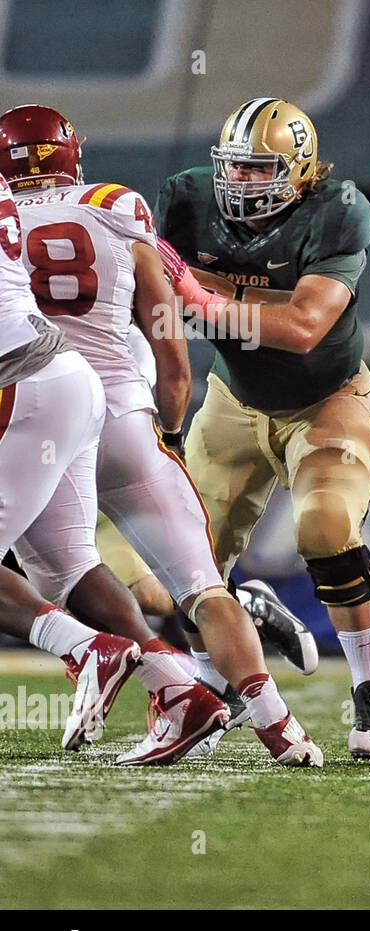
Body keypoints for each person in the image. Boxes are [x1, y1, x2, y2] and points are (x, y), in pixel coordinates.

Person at [0, 104, 321, 766]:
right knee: (197, 585)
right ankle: (269, 724)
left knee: (69, 572)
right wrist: (168, 428)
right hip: (115, 406)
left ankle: (136, 669)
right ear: (69, 154)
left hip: (36, 405)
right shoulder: (115, 204)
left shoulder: (9, 216)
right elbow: (171, 344)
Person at [155, 98, 370, 760]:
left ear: (299, 172)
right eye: (234, 168)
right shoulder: (186, 200)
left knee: (326, 528)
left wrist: (199, 293)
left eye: (261, 170)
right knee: (181, 561)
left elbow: (301, 327)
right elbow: (149, 289)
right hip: (233, 397)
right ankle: (216, 681)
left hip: (327, 397)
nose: (243, 183)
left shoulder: (338, 209)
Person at [0, 170, 229, 763]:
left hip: (22, 382)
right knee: (67, 566)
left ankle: (83, 648)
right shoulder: (98, 208)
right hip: (73, 379)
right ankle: (181, 691)